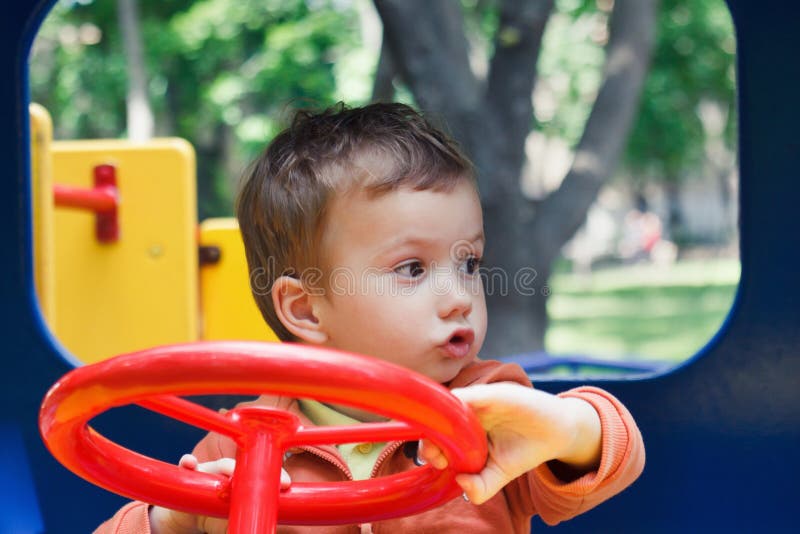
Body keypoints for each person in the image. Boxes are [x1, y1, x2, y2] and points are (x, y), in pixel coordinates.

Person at [96, 103, 644, 534]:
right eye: (412, 268)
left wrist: (568, 429)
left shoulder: (486, 409)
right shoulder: (244, 442)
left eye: (469, 262)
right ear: (307, 309)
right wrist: (178, 520)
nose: (459, 297)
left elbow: (619, 451)